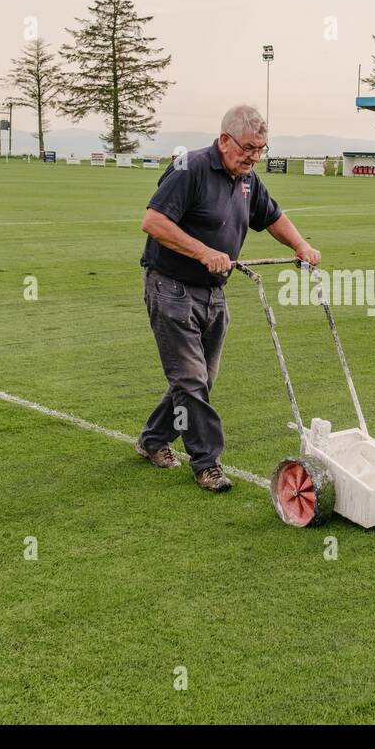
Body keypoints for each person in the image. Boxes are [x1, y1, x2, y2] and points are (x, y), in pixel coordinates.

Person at [136, 104, 321, 491]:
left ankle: (153, 439)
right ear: (224, 140)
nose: (254, 157)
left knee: (200, 380)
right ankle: (207, 463)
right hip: (171, 287)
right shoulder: (191, 168)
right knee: (190, 379)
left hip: (213, 292)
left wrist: (301, 245)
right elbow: (153, 221)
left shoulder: (247, 180)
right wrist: (203, 251)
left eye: (261, 149)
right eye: (248, 148)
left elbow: (271, 216)